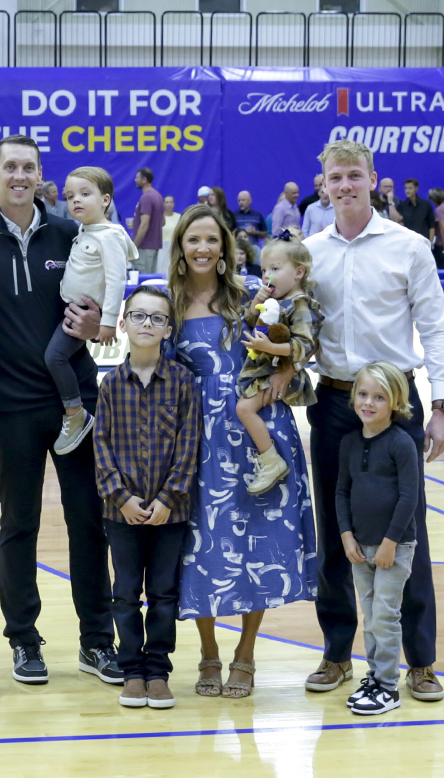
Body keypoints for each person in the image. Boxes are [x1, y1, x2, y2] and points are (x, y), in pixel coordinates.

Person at [0, 133, 117, 686]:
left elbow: (104, 303)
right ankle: (24, 641)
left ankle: (96, 641)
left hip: (75, 404)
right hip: (10, 406)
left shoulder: (71, 232)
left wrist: (94, 324)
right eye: (9, 166)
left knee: (89, 524)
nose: (19, 175)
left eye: (28, 168)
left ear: (41, 176)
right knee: (20, 524)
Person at [302, 138, 444, 701]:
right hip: (334, 402)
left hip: (398, 404)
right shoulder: (309, 252)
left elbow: (436, 328)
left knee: (406, 532)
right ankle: (338, 653)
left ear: (374, 179)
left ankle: (420, 661)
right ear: (324, 184)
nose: (345, 185)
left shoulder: (409, 246)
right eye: (335, 177)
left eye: (354, 176)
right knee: (334, 531)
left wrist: (442, 405)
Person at [169, 204, 314, 699]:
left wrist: (286, 370)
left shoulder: (254, 296)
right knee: (201, 544)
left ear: (226, 248)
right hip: (196, 436)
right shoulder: (167, 302)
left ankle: (246, 654)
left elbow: (296, 337)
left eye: (212, 239)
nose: (204, 248)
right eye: (194, 240)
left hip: (258, 428)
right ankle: (208, 652)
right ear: (181, 249)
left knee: (259, 540)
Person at [93, 285, 197, 710]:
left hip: (170, 514)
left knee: (164, 592)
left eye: (156, 318)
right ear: (123, 324)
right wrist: (122, 499)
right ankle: (131, 669)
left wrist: (169, 499)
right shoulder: (110, 385)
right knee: (125, 592)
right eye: (138, 316)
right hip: (122, 513)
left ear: (168, 329)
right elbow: (100, 445)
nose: (147, 324)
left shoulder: (183, 383)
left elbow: (189, 445)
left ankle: (158, 670)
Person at [333, 361, 422, 716]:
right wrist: (346, 536)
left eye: (379, 397)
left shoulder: (401, 444)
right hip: (360, 547)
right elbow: (341, 491)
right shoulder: (350, 442)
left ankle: (388, 687)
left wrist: (390, 544)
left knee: (385, 615)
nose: (368, 403)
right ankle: (375, 677)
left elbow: (408, 498)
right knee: (370, 616)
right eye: (363, 394)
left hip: (393, 548)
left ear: (396, 402)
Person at [45, 166, 136, 455]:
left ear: (106, 200)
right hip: (71, 307)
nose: (76, 201)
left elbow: (116, 280)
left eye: (85, 194)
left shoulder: (110, 235)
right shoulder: (87, 230)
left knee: (55, 357)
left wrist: (107, 323)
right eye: (70, 196)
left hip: (84, 311)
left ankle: (76, 413)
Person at [236, 238, 318, 495]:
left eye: (274, 269)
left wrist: (271, 348)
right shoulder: (273, 300)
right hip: (264, 368)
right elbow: (250, 321)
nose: (267, 276)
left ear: (298, 272)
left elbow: (304, 345)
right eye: (263, 270)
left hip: (279, 370)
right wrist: (255, 304)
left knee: (244, 408)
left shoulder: (300, 304)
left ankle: (271, 460)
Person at [130, 167, 163, 273]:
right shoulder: (157, 196)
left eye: (137, 177)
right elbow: (163, 222)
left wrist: (133, 247)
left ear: (144, 180)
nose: (135, 180)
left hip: (144, 248)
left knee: (142, 282)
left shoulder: (146, 198)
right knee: (150, 280)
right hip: (154, 246)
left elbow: (144, 225)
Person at [397, 178, 435, 249]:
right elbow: (399, 223)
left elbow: (432, 226)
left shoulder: (426, 204)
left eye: (410, 188)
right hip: (408, 244)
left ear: (416, 188)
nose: (407, 191)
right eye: (406, 188)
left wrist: (430, 243)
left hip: (424, 243)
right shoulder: (402, 205)